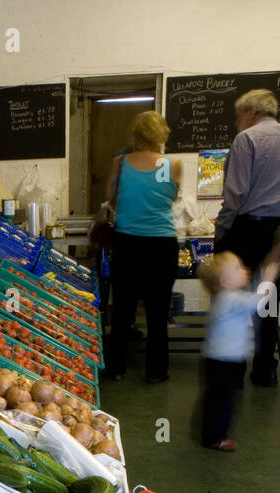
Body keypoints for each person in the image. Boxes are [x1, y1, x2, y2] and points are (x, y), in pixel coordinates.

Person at [213, 89, 280, 387]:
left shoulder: (246, 139)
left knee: (234, 295)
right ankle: (265, 369)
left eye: (239, 114)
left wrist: (223, 231)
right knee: (269, 297)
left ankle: (234, 371)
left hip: (248, 226)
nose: (237, 121)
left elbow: (236, 193)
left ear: (251, 112)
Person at [195, 228, 280, 451]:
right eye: (238, 268)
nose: (244, 269)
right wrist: (268, 279)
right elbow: (258, 301)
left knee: (216, 397)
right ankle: (215, 437)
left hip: (217, 358)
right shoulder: (230, 299)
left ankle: (209, 431)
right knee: (224, 399)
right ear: (225, 282)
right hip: (223, 360)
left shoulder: (225, 297)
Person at [103, 111, 181, 384]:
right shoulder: (172, 165)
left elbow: (111, 200)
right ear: (161, 135)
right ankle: (156, 371)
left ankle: (116, 368)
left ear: (134, 134)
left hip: (128, 243)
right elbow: (170, 199)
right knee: (158, 313)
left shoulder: (120, 163)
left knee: (123, 310)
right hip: (162, 245)